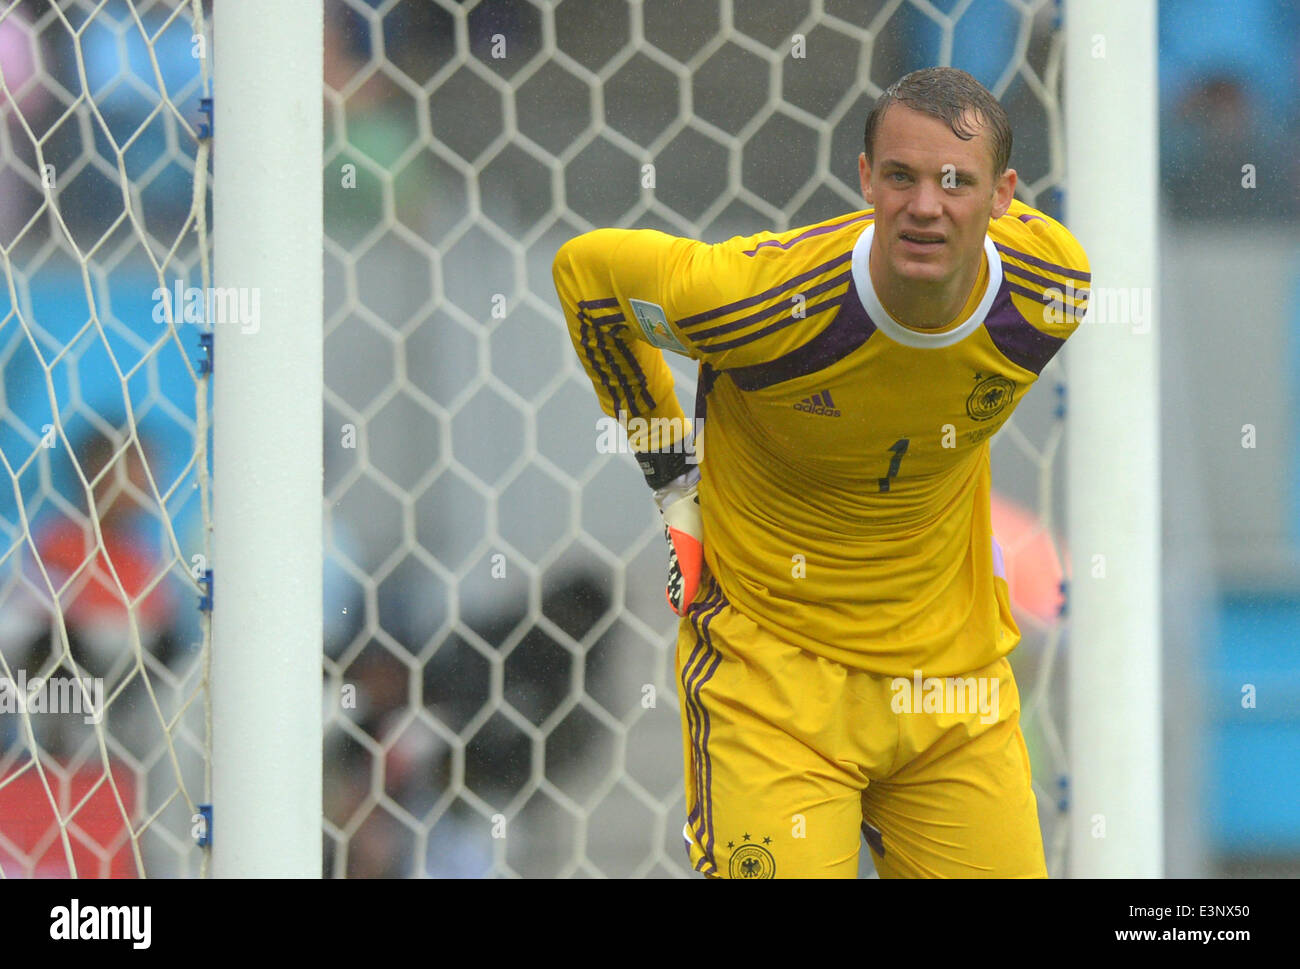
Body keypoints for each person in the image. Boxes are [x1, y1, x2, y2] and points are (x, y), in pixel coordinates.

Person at [552, 67, 1090, 878]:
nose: (925, 206)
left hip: (953, 692)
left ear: (1004, 193)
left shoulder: (1054, 290)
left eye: (956, 182)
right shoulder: (760, 302)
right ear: (865, 178)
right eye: (901, 176)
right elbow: (587, 280)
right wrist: (674, 488)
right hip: (774, 688)